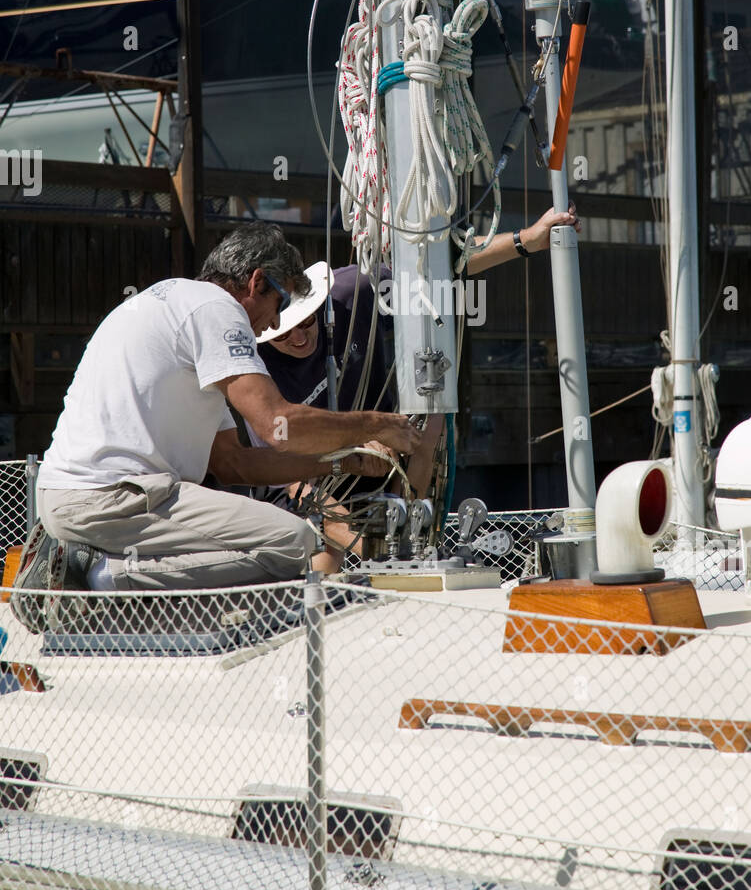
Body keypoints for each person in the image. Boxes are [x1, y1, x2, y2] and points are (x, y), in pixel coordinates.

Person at [14, 223, 420, 605]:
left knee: (281, 536)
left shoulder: (171, 301)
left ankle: (104, 568)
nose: (275, 323)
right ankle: (101, 577)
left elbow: (234, 463)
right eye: (279, 304)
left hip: (69, 497)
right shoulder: (217, 310)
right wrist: (377, 423)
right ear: (257, 282)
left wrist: (340, 463)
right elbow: (278, 426)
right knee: (296, 541)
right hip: (117, 498)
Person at [250, 206, 580, 567]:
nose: (299, 338)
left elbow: (434, 269)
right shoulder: (256, 365)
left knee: (431, 416)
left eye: (308, 323)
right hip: (308, 472)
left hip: (381, 455)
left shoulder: (351, 292)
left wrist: (526, 240)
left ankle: (407, 541)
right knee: (318, 534)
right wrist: (352, 448)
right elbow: (282, 467)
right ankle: (378, 564)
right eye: (282, 334)